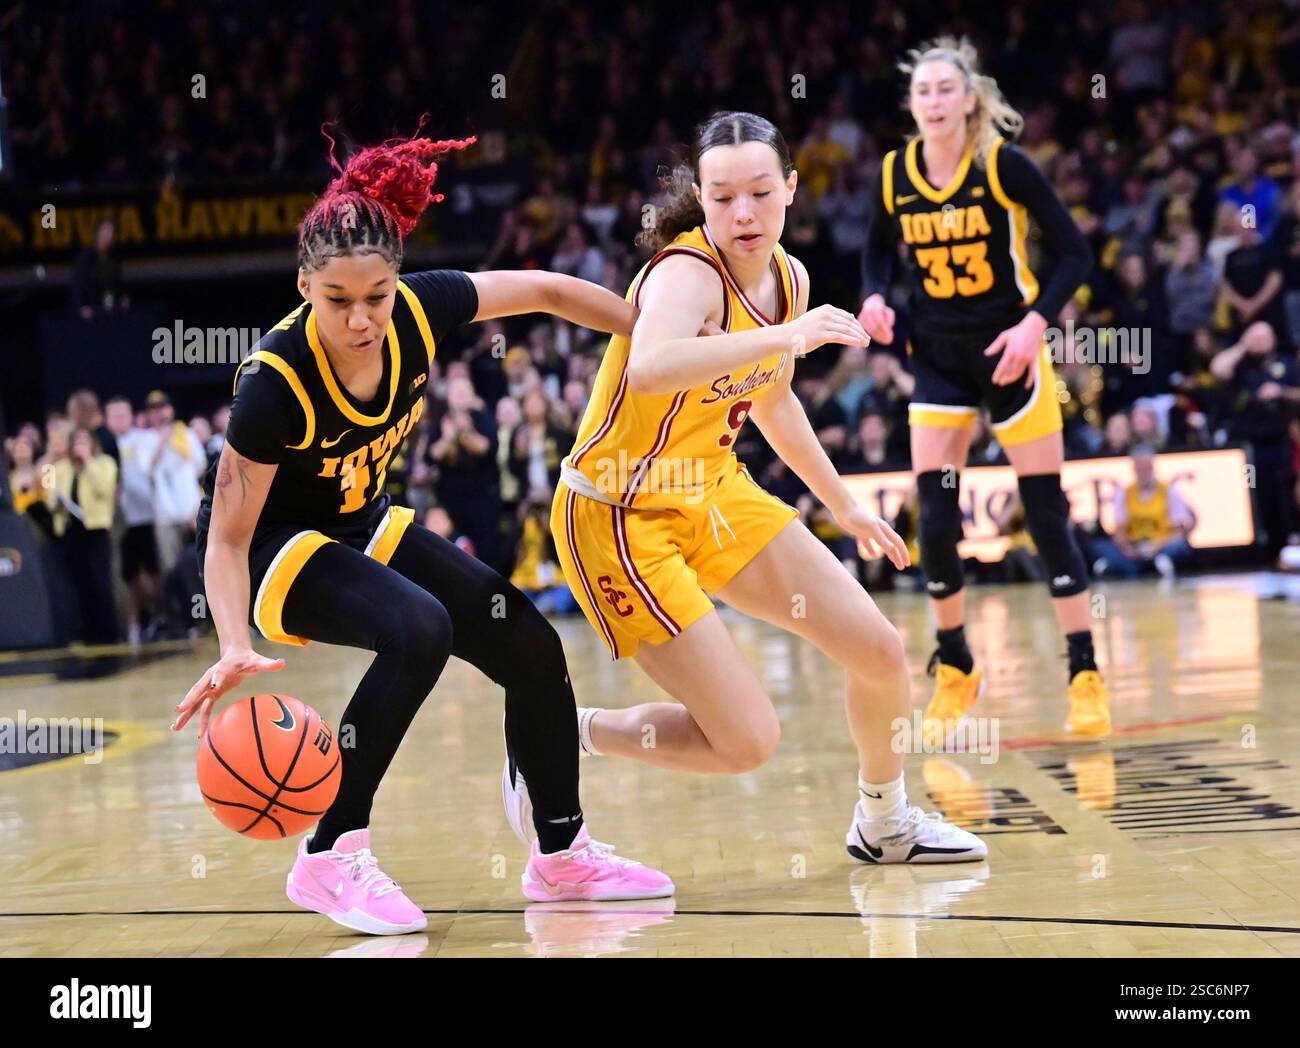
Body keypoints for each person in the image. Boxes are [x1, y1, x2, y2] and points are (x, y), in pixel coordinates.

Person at [172, 129, 672, 936]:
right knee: (420, 629)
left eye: (377, 294)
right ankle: (331, 853)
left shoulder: (420, 308)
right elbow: (226, 540)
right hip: (273, 550)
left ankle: (561, 855)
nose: (362, 318)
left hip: (359, 522)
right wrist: (232, 641)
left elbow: (547, 289)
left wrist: (652, 333)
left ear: (396, 279)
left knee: (531, 645)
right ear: (305, 286)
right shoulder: (274, 383)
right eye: (338, 301)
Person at [544, 110, 985, 867]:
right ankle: (553, 735)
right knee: (746, 743)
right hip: (617, 512)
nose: (742, 214)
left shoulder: (789, 279)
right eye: (720, 198)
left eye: (758, 193)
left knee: (878, 651)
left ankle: (884, 822)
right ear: (701, 199)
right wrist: (786, 336)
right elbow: (650, 366)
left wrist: (842, 503)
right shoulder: (686, 276)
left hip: (713, 491)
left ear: (790, 187)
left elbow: (773, 398)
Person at [858, 37, 1110, 736]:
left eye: (946, 89)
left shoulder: (1004, 166)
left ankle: (1084, 670)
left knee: (1046, 515)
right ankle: (956, 664)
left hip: (1011, 354)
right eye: (923, 91)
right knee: (936, 520)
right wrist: (875, 297)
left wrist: (1035, 326)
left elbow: (1074, 253)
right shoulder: (893, 173)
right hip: (938, 357)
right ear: (912, 105)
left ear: (970, 100)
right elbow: (876, 248)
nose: (934, 101)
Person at [1090, 444, 1194, 580]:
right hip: (1135, 544)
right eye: (1140, 468)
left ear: (1153, 467)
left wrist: (1157, 546)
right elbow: (1119, 531)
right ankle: (1132, 566)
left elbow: (1180, 531)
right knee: (1100, 547)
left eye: (1147, 468)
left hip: (1162, 544)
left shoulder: (1169, 491)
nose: (1144, 472)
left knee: (1181, 547)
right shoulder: (1125, 493)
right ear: (1134, 469)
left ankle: (1145, 565)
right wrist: (1128, 549)